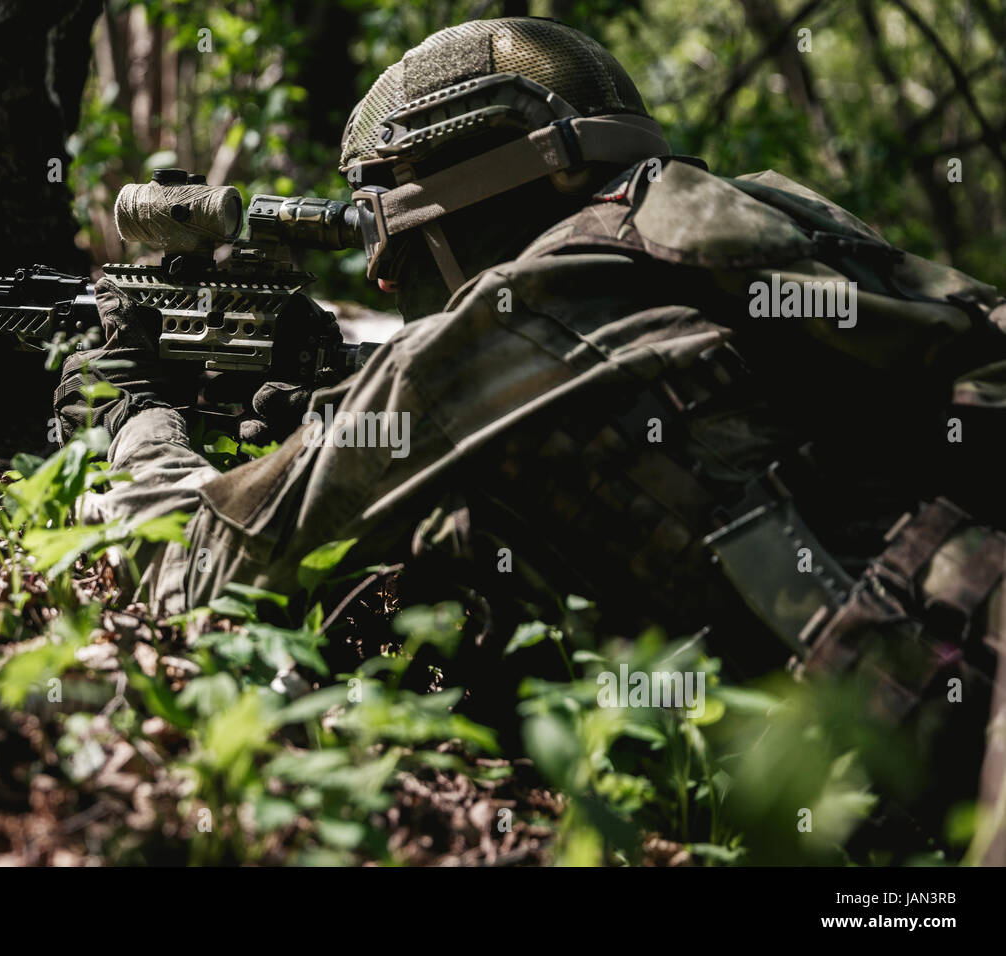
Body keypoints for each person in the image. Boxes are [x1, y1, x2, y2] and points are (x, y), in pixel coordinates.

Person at [56, 17, 1006, 854]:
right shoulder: (753, 230)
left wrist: (132, 416)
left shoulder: (521, 311)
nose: (382, 277)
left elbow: (198, 578)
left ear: (446, 211)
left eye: (383, 225)